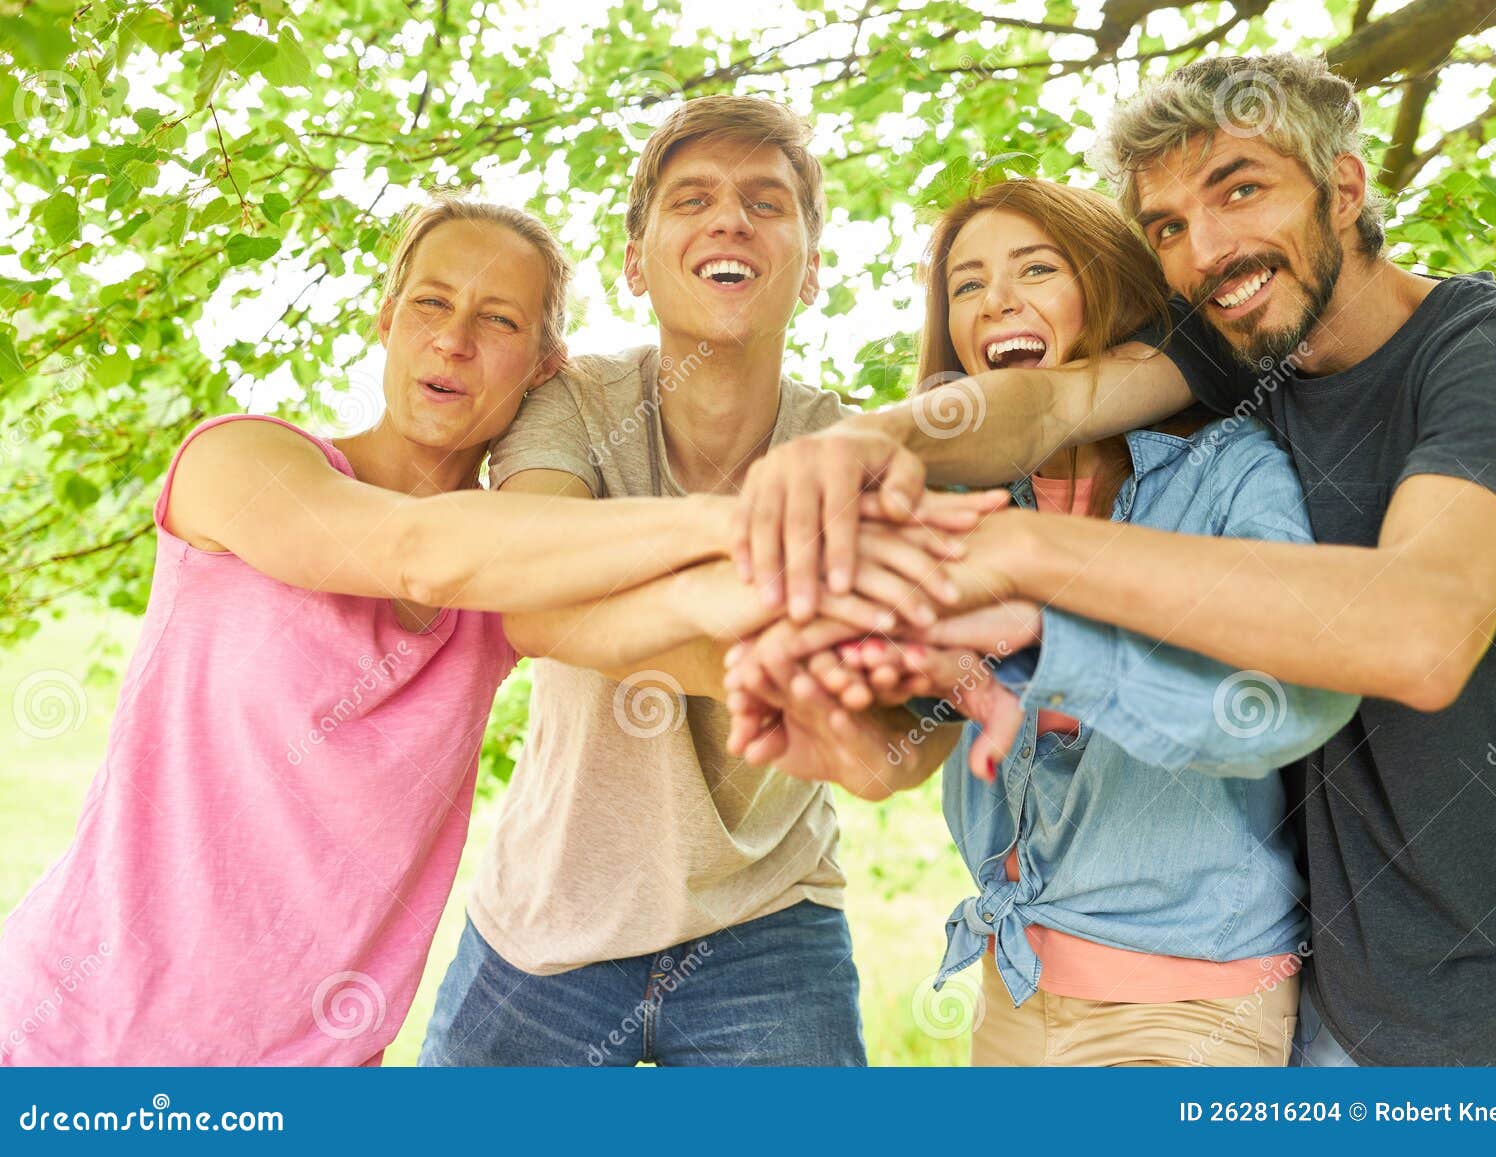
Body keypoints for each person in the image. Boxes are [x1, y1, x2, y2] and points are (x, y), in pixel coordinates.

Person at [730, 54, 1496, 1066]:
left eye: (1240, 189)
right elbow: (1048, 402)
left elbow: (1421, 629)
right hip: (1298, 983)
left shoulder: (1490, 356)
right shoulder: (1242, 348)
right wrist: (863, 441)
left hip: (1472, 1002)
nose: (1209, 249)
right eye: (1169, 226)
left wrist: (1021, 560)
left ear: (1345, 189)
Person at [0, 194, 942, 1066]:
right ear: (386, 317)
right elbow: (412, 548)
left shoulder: (508, 594)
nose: (452, 340)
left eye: (499, 320)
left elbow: (700, 647)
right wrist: (750, 519)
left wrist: (919, 657)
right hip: (79, 1032)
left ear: (544, 366)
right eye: (430, 302)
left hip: (310, 1068)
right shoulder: (239, 462)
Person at [416, 95, 1003, 1068]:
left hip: (769, 920)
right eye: (692, 198)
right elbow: (534, 592)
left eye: (766, 202)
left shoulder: (858, 447)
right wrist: (803, 657)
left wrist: (897, 695)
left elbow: (899, 744)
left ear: (811, 269)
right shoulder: (575, 401)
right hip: (547, 917)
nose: (730, 218)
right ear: (635, 262)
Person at [726, 178, 1357, 1065]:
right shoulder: (956, 502)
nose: (999, 303)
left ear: (1112, 291)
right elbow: (916, 738)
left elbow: (1278, 706)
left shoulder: (1229, 469)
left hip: (1187, 1002)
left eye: (1036, 268)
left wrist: (1048, 645)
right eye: (968, 285)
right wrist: (853, 700)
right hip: (1011, 984)